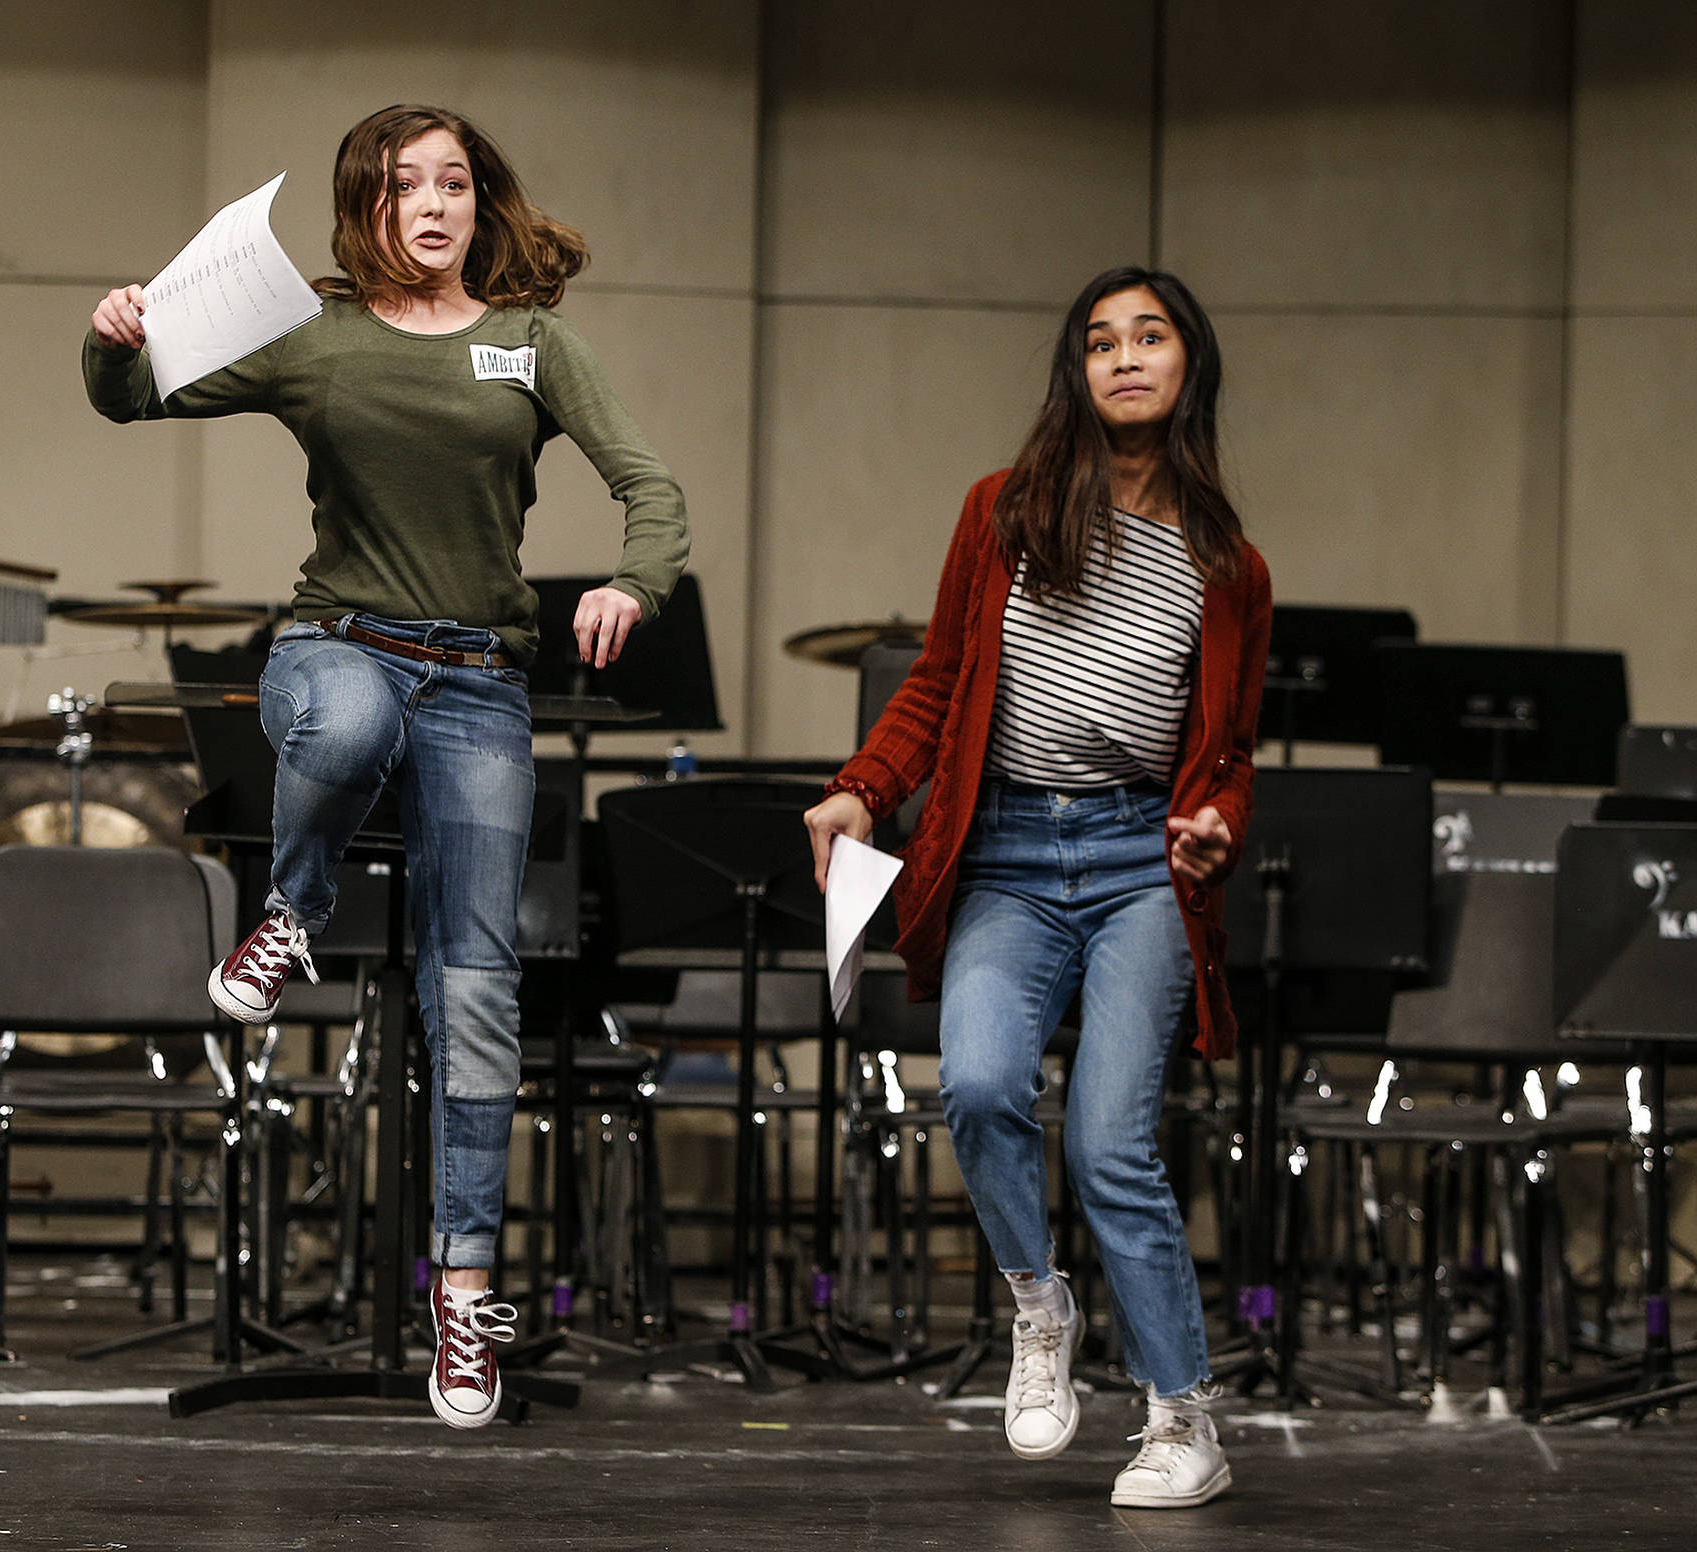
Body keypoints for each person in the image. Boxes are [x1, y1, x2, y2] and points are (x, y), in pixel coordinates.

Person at [84, 103, 688, 1429]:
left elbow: (654, 491)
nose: (435, 203)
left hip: (482, 682)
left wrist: (634, 590)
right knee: (346, 726)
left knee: (478, 1000)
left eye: (456, 183)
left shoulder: (532, 347)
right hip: (337, 643)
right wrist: (113, 337)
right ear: (365, 206)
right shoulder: (317, 337)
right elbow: (136, 400)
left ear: (483, 203)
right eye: (407, 184)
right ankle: (292, 910)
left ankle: (464, 1298)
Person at [803, 267, 1268, 1508]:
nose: (1123, 357)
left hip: (1134, 867)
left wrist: (1215, 822)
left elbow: (1225, 756)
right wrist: (862, 787)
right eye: (1100, 340)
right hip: (1004, 852)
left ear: (1186, 365)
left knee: (1115, 1142)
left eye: (1149, 337)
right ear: (1077, 369)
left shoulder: (1227, 561)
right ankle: (1036, 1306)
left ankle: (1182, 1419)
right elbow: (939, 679)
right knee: (982, 1081)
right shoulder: (1001, 512)